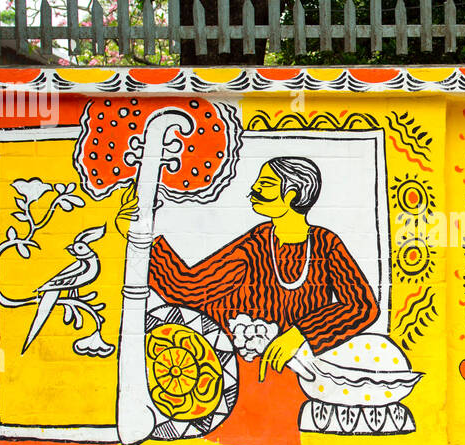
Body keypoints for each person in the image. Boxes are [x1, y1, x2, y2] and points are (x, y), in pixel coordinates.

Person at [148, 156, 379, 380]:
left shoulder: (325, 243)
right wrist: (144, 240)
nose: (254, 188)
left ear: (292, 195)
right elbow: (191, 289)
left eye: (266, 184)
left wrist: (300, 334)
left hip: (309, 376)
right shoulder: (257, 242)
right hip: (246, 374)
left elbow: (363, 306)